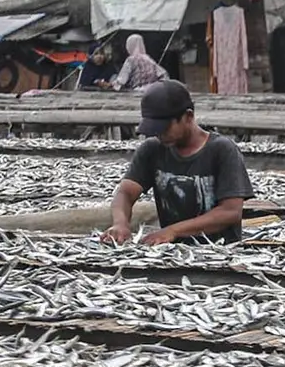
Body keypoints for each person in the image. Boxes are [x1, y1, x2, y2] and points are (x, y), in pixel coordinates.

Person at [100, 79, 252, 246]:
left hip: (221, 253)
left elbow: (230, 212)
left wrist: (172, 231)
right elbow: (125, 194)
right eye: (154, 129)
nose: (159, 134)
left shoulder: (222, 150)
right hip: (171, 253)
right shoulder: (152, 149)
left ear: (188, 116)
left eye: (164, 128)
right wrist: (120, 223)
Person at [99, 34, 166, 92]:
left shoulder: (131, 60)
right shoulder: (149, 59)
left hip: (137, 92)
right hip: (151, 91)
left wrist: (110, 85)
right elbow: (164, 74)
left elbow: (122, 80)